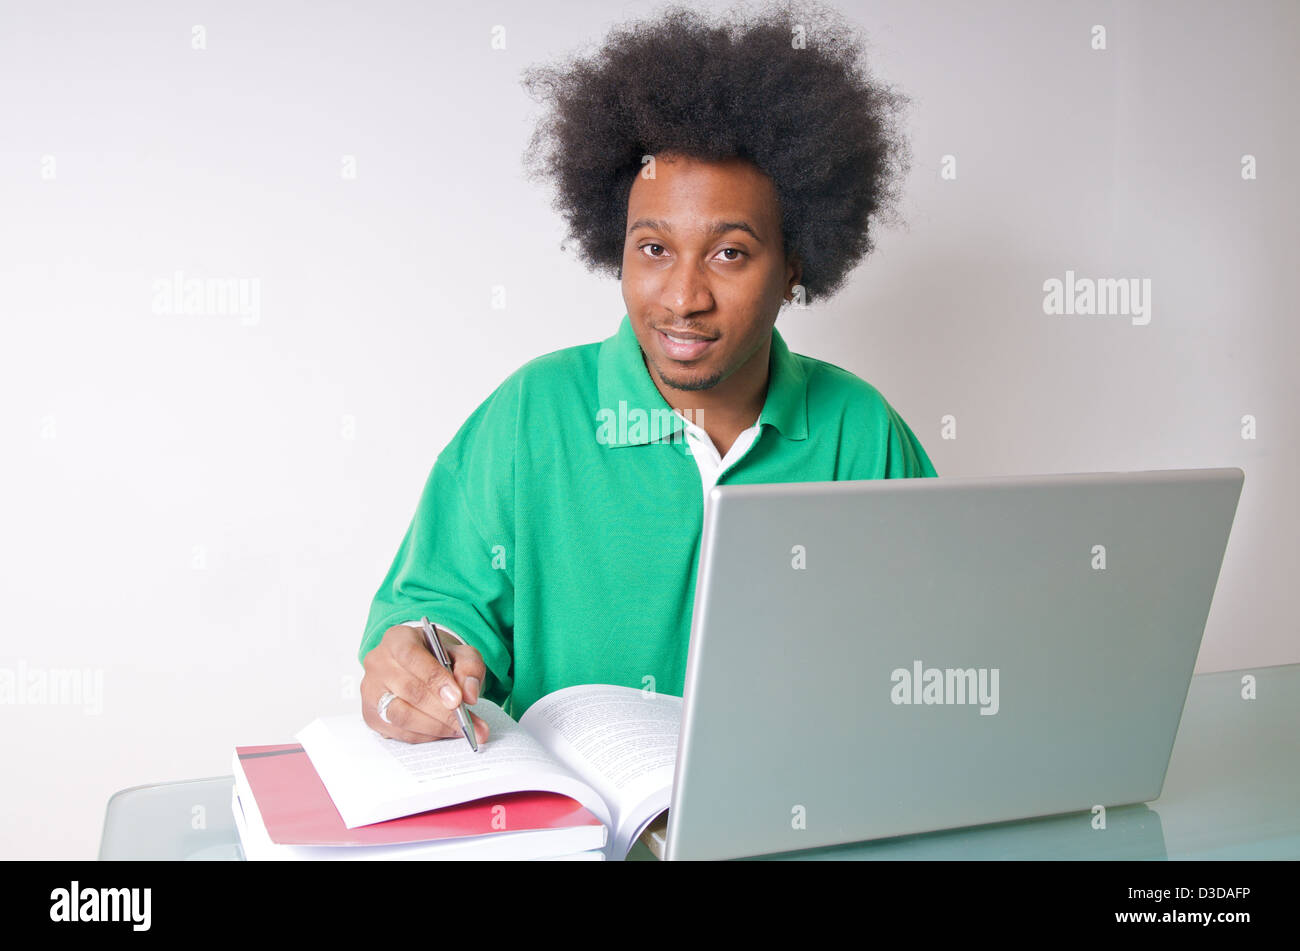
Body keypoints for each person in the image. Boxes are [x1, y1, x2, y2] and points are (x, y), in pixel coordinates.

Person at [357, 1, 936, 745]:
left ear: (794, 263)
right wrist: (417, 660)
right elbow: (435, 612)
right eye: (654, 249)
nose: (683, 298)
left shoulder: (861, 432)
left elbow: (935, 645)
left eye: (729, 252)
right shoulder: (534, 413)